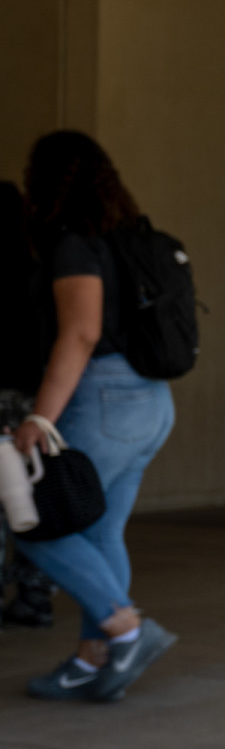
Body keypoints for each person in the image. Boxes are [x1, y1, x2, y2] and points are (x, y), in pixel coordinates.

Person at [13, 133, 177, 699]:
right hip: (149, 402)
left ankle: (126, 630)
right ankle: (95, 660)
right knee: (99, 530)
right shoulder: (125, 238)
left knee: (35, 522)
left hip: (102, 400)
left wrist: (42, 419)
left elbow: (80, 333)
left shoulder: (74, 244)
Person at [0, 179, 58, 628]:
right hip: (34, 396)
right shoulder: (40, 266)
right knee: (30, 498)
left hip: (7, 397)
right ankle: (36, 596)